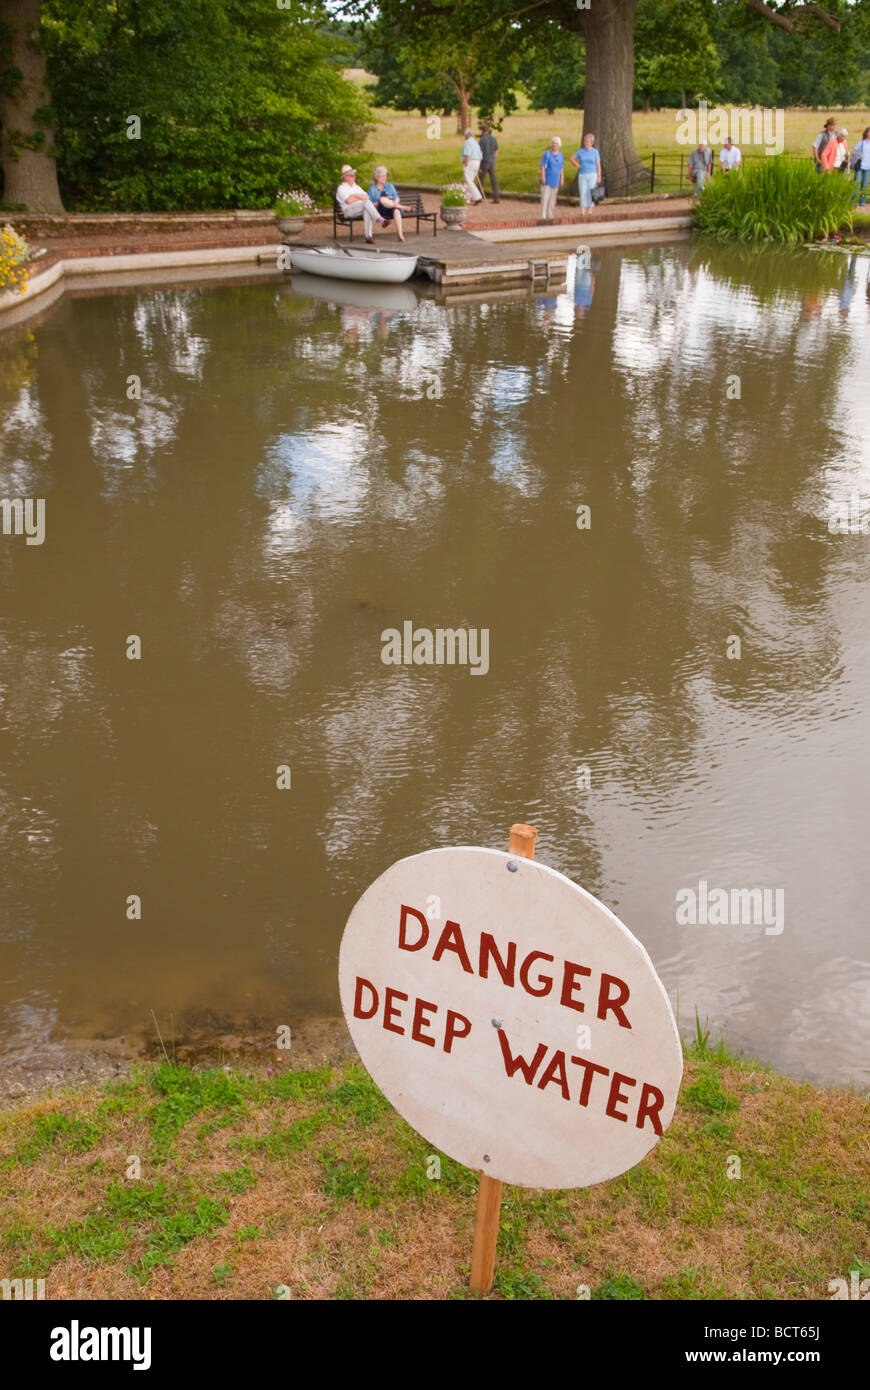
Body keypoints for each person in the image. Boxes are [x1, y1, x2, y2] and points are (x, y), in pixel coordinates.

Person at [335, 164, 386, 243]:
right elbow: (349, 201)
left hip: (359, 208)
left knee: (367, 209)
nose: (354, 177)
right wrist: (359, 197)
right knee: (366, 204)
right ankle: (380, 219)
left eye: (354, 175)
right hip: (348, 210)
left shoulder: (356, 187)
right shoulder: (341, 188)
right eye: (351, 175)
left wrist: (355, 196)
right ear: (345, 177)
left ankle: (368, 236)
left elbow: (367, 197)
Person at [367, 167, 413, 243]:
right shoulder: (372, 189)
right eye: (382, 176)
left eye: (385, 176)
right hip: (380, 210)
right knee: (382, 199)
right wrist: (381, 201)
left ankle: (400, 235)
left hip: (392, 207)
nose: (385, 178)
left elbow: (396, 197)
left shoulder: (389, 186)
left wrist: (395, 201)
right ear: (377, 178)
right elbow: (370, 205)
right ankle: (403, 207)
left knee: (397, 211)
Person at [570, 134, 602, 218]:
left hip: (592, 174)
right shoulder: (581, 151)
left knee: (591, 191)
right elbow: (572, 158)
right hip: (583, 174)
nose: (587, 143)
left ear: (592, 142)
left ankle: (590, 209)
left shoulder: (595, 152)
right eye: (585, 141)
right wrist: (577, 165)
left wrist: (599, 176)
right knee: (583, 191)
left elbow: (598, 164)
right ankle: (583, 210)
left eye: (588, 141)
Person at [539, 137, 564, 221]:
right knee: (545, 197)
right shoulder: (547, 154)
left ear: (559, 145)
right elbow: (542, 166)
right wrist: (543, 176)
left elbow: (561, 167)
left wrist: (562, 178)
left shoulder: (561, 155)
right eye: (553, 143)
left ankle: (550, 212)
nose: (554, 145)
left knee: (553, 197)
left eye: (556, 143)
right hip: (548, 178)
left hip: (556, 179)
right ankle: (543, 214)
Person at [479, 122, 500, 202]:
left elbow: (480, 152)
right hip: (492, 162)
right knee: (493, 180)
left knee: (481, 180)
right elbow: (496, 151)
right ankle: (496, 197)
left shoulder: (482, 140)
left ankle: (479, 197)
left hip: (484, 161)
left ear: (482, 130)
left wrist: (479, 163)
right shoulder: (493, 139)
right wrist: (493, 159)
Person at [461, 128, 483, 203]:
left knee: (468, 180)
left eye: (465, 135)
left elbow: (468, 154)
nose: (464, 136)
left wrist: (466, 164)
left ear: (467, 135)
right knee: (470, 181)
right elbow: (480, 154)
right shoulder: (475, 142)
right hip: (477, 162)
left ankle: (477, 197)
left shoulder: (468, 142)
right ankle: (468, 198)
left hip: (470, 162)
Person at [852, 126, 870, 206]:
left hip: (868, 167)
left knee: (864, 185)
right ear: (866, 133)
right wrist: (859, 154)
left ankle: (862, 201)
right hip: (860, 166)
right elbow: (853, 152)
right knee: (856, 184)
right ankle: (851, 200)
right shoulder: (861, 143)